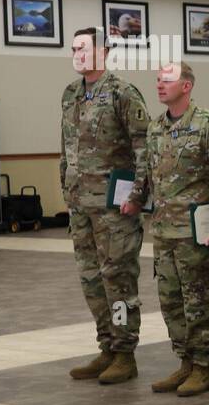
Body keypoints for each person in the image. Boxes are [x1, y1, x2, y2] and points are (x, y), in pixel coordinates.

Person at [133, 63, 209, 397]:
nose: (160, 85)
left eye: (168, 80)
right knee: (171, 302)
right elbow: (147, 173)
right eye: (158, 80)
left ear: (187, 85)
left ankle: (204, 366)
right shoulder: (156, 127)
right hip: (164, 231)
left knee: (199, 302)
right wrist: (134, 199)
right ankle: (186, 361)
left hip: (198, 233)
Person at [61, 27, 148, 385]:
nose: (78, 54)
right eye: (73, 48)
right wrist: (64, 184)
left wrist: (137, 195)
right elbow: (65, 145)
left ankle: (125, 353)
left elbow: (144, 147)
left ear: (104, 50)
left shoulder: (122, 93)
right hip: (80, 204)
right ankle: (107, 346)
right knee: (91, 280)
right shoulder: (70, 94)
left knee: (118, 280)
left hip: (114, 208)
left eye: (84, 48)